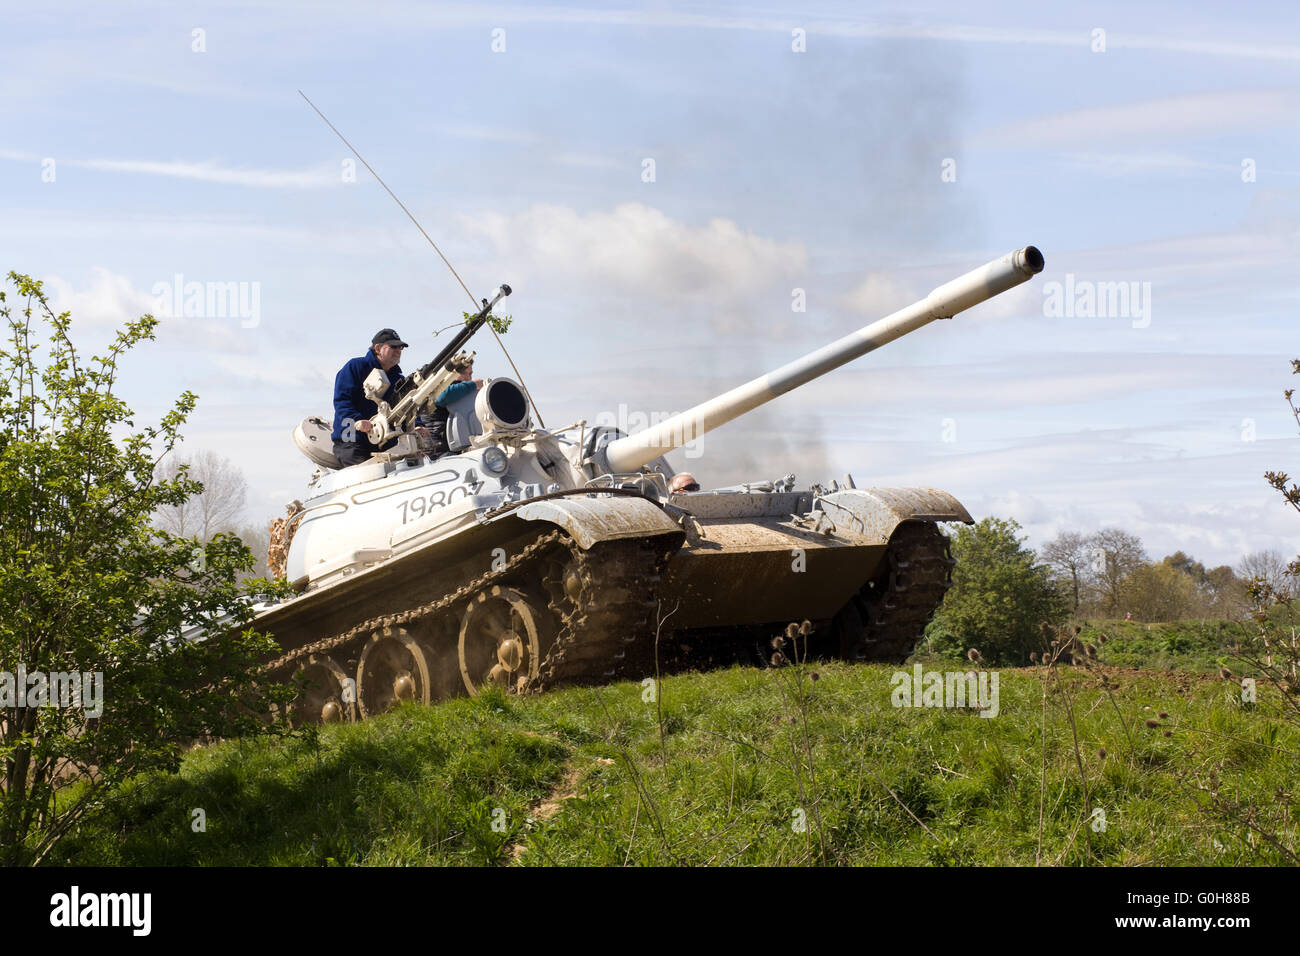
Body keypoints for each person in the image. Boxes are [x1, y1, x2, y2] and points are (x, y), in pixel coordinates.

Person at [332, 328, 417, 467]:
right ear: (377, 348)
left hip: (384, 444)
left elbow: (407, 406)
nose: (398, 350)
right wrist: (358, 421)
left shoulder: (398, 379)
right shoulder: (355, 367)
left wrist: (418, 425)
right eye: (393, 346)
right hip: (352, 443)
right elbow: (343, 401)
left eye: (400, 347)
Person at [426, 359, 484, 458]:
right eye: (463, 373)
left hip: (457, 447)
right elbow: (442, 396)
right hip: (439, 449)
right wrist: (473, 384)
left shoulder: (463, 391)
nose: (468, 378)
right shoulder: (437, 388)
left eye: (470, 374)